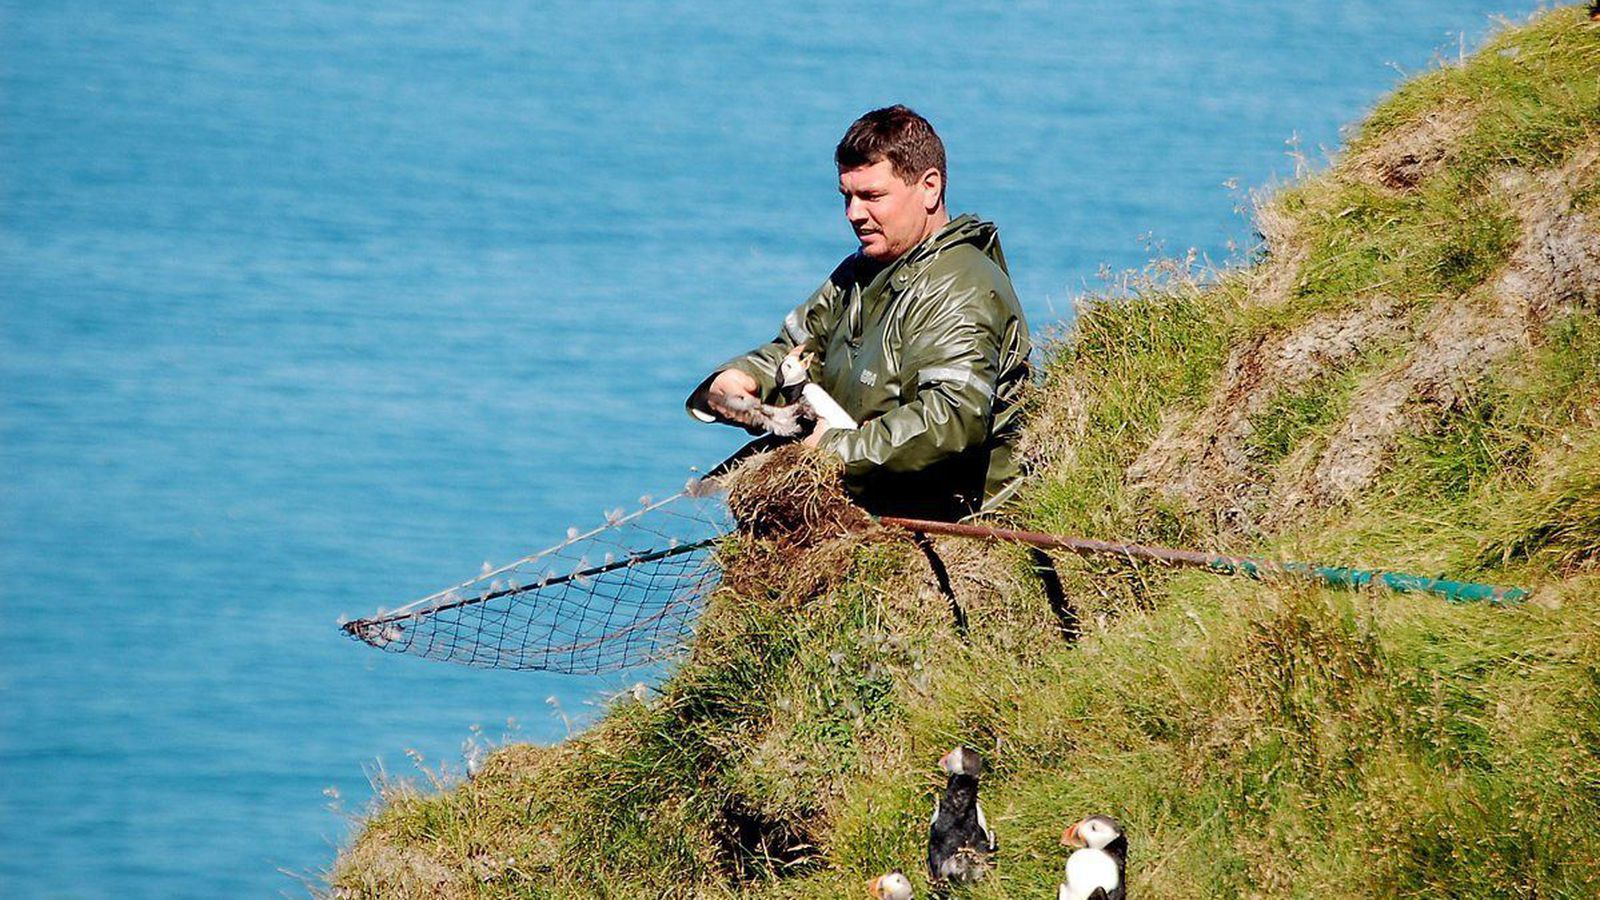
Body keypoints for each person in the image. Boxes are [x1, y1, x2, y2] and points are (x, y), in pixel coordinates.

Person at [687, 105, 1031, 521]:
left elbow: (951, 419)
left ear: (930, 188)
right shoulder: (862, 272)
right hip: (873, 517)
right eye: (847, 196)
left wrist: (832, 449)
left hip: (953, 529)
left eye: (871, 196)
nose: (854, 213)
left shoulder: (961, 286)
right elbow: (798, 349)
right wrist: (740, 379)